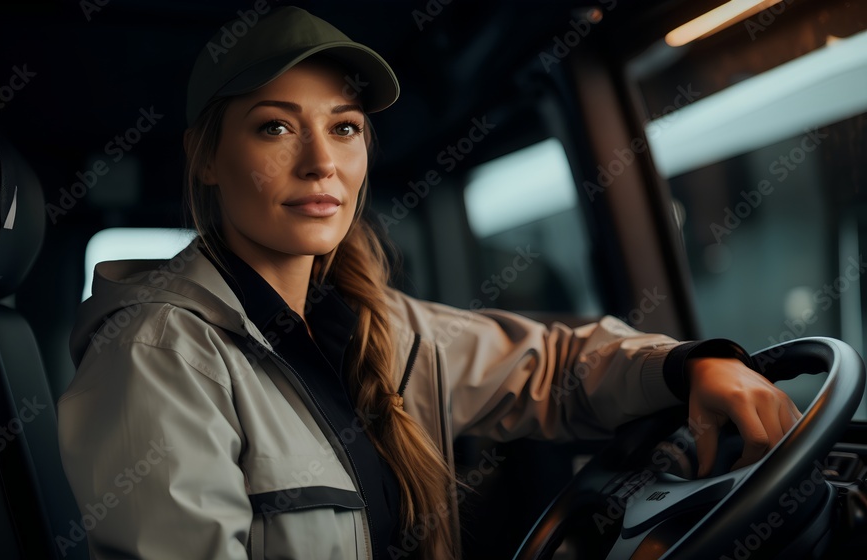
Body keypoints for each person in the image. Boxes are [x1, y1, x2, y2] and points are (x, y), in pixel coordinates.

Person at [57, 6, 800, 559]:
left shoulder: (375, 323)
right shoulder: (157, 353)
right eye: (275, 127)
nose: (322, 162)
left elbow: (555, 368)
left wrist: (689, 366)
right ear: (207, 157)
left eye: (344, 127)